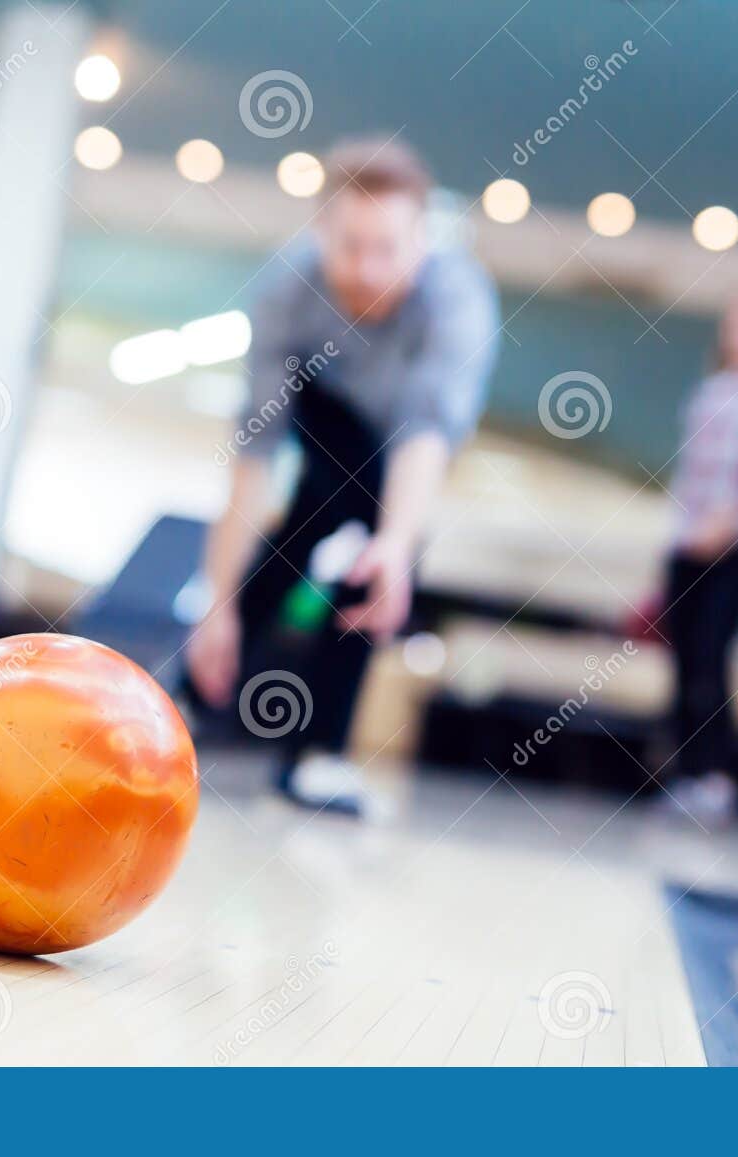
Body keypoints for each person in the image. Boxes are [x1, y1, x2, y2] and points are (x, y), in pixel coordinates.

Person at [185, 137, 499, 818]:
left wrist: (396, 543)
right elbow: (255, 451)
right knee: (313, 517)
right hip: (322, 415)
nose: (367, 270)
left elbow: (425, 433)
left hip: (398, 453)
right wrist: (215, 603)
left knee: (371, 549)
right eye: (349, 246)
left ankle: (317, 749)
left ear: (422, 239)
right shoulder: (285, 290)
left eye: (388, 248)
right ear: (320, 233)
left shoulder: (458, 300)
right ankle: (206, 676)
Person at [655, 295, 738, 826]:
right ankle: (686, 772)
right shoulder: (711, 391)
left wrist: (729, 526)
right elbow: (691, 475)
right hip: (687, 545)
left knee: (713, 656)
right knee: (684, 658)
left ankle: (715, 776)